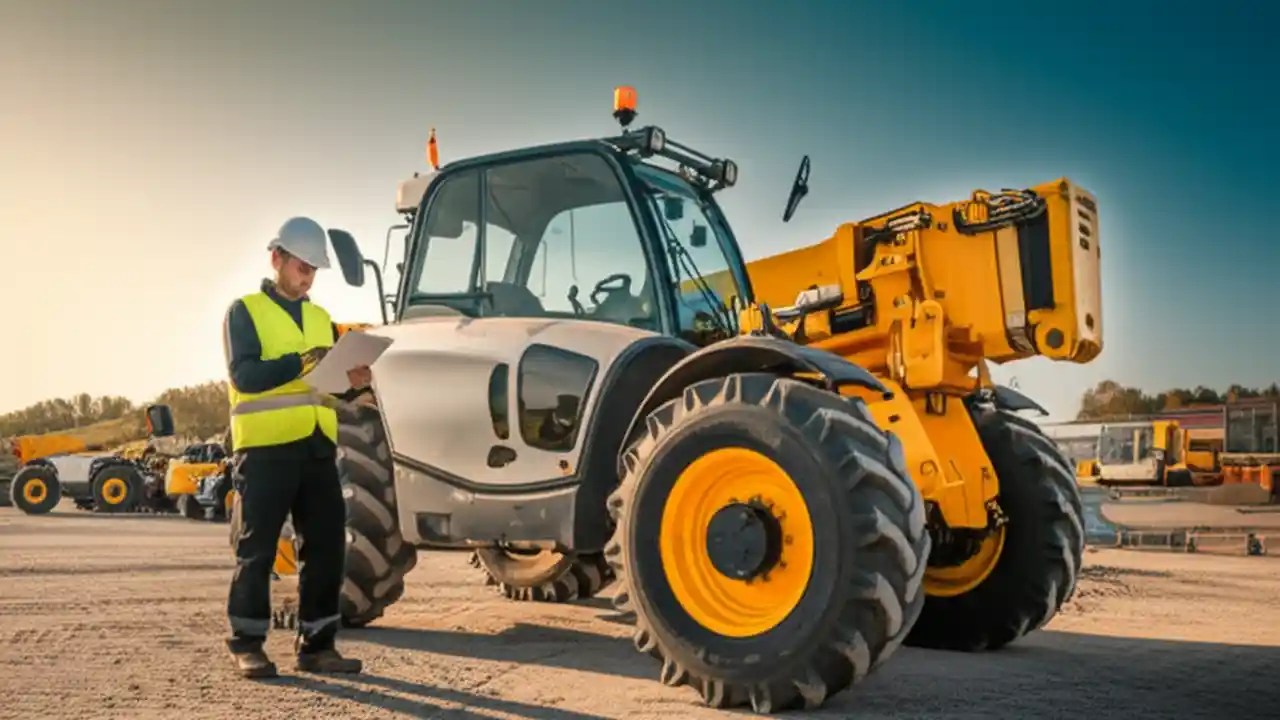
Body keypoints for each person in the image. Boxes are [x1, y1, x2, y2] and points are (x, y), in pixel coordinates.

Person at [221, 216, 371, 678]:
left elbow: (321, 386)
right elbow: (245, 376)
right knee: (258, 550)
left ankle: (317, 646)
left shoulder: (321, 319)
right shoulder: (244, 312)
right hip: (265, 449)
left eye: (313, 270)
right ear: (277, 259)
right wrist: (300, 361)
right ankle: (247, 643)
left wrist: (354, 385)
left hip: (316, 446)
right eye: (301, 266)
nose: (307, 276)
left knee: (327, 548)